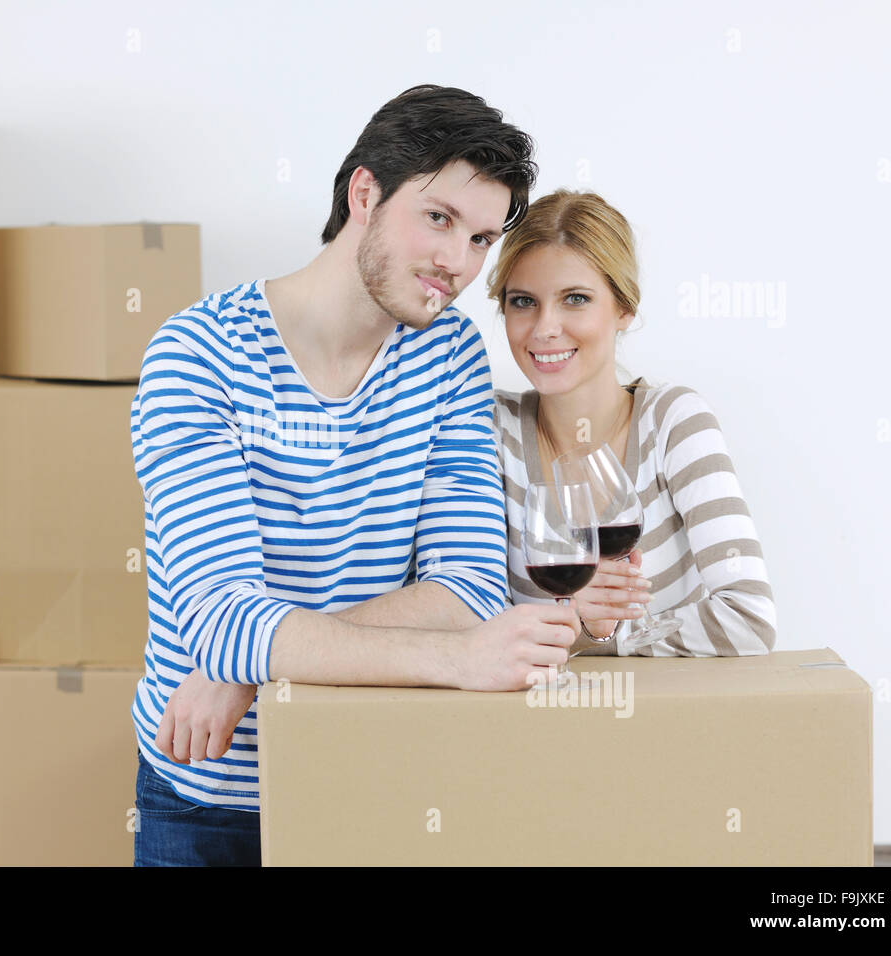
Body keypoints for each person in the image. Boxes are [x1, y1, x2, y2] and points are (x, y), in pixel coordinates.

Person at [129, 85, 579, 867]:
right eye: (438, 218)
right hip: (213, 790)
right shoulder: (200, 355)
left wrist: (252, 667)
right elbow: (220, 619)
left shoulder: (447, 358)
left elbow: (470, 586)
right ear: (364, 192)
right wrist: (455, 659)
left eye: (479, 239)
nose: (456, 264)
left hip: (370, 768)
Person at [486, 189, 777, 658]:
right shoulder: (487, 428)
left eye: (575, 299)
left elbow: (748, 620)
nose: (544, 327)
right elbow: (460, 621)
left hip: (657, 724)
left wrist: (606, 633)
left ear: (624, 309)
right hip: (520, 725)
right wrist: (580, 623)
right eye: (523, 302)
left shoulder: (672, 422)